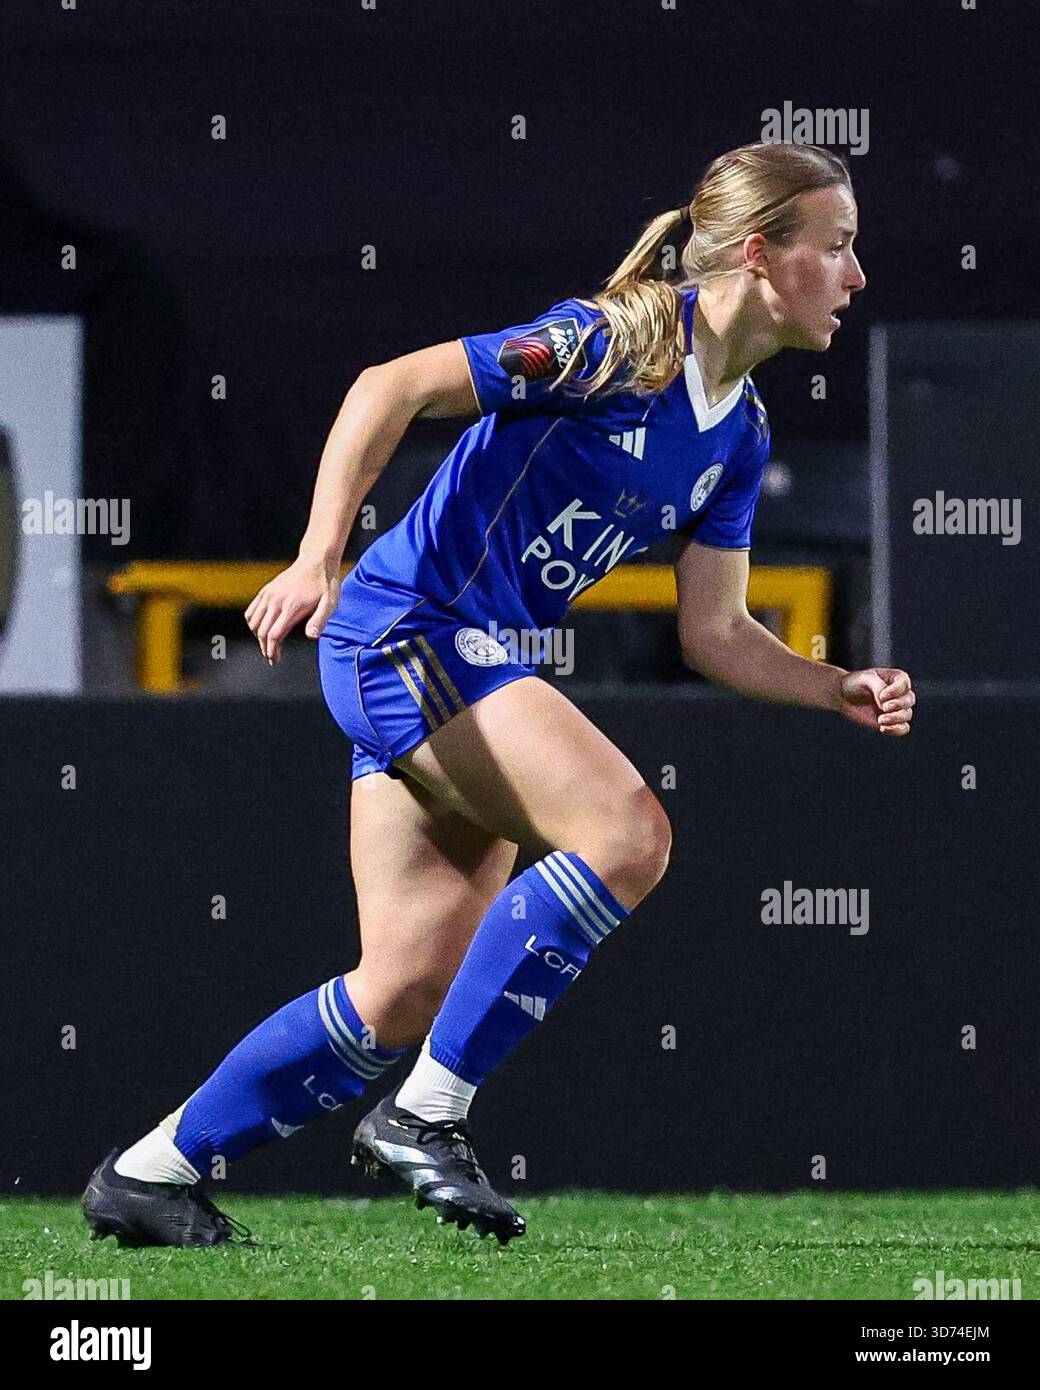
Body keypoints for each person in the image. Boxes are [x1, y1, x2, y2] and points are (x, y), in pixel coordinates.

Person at [83, 141, 915, 1249]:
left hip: (450, 657)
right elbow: (389, 385)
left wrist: (831, 685)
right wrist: (317, 554)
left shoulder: (740, 429)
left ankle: (147, 1174)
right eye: (838, 246)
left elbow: (713, 631)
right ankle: (427, 1115)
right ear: (759, 254)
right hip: (404, 633)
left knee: (402, 992)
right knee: (626, 829)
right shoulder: (612, 341)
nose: (856, 276)